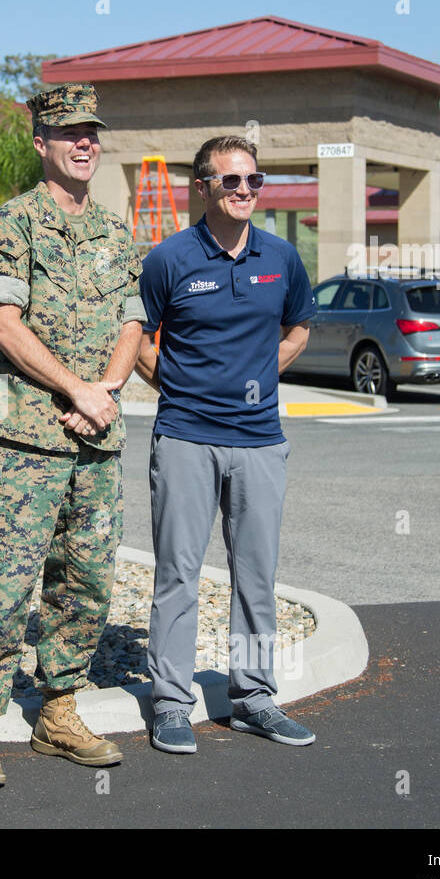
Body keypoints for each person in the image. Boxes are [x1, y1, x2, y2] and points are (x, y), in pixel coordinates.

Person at [0, 83, 144, 788]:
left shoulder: (119, 232)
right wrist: (77, 389)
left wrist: (109, 391)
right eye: (69, 133)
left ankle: (58, 710)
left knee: (86, 582)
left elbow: (131, 323)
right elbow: (5, 324)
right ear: (41, 143)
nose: (83, 142)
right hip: (27, 438)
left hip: (96, 436)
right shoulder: (13, 224)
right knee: (3, 580)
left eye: (91, 131)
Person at [136, 135, 317, 755]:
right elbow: (137, 336)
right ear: (203, 187)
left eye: (254, 181)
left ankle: (254, 697)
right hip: (186, 435)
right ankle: (170, 701)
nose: (246, 191)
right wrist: (179, 385)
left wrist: (266, 371)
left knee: (257, 575)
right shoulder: (169, 259)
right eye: (232, 181)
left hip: (261, 439)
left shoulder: (282, 257)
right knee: (179, 573)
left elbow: (299, 324)